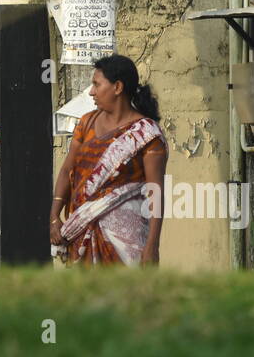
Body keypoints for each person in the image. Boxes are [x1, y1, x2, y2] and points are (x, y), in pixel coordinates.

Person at [49, 55, 167, 266]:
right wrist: (54, 216)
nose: (91, 92)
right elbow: (68, 168)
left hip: (125, 244)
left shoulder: (146, 135)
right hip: (81, 234)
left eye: (96, 84)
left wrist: (153, 246)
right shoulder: (87, 123)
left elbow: (155, 192)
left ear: (117, 87)